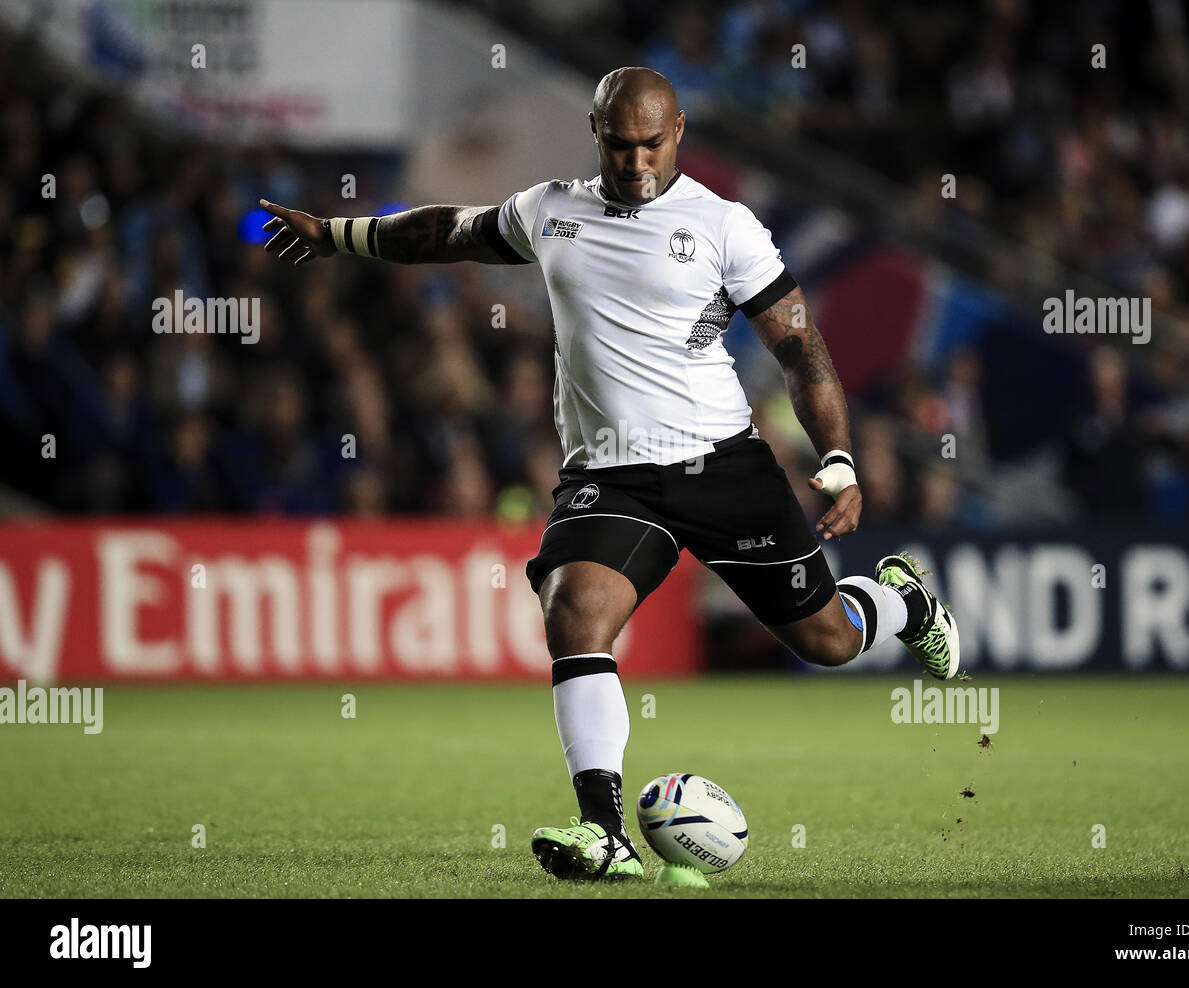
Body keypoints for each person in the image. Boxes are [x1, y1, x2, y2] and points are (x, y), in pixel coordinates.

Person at [261, 66, 959, 881]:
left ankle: (901, 600)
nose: (635, 162)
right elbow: (446, 230)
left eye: (652, 144)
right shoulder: (549, 211)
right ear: (596, 134)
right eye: (620, 144)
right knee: (575, 613)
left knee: (829, 641)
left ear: (680, 132)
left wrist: (838, 459)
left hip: (725, 465)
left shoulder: (727, 227)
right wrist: (337, 236)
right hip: (612, 479)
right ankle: (604, 830)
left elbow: (803, 351)